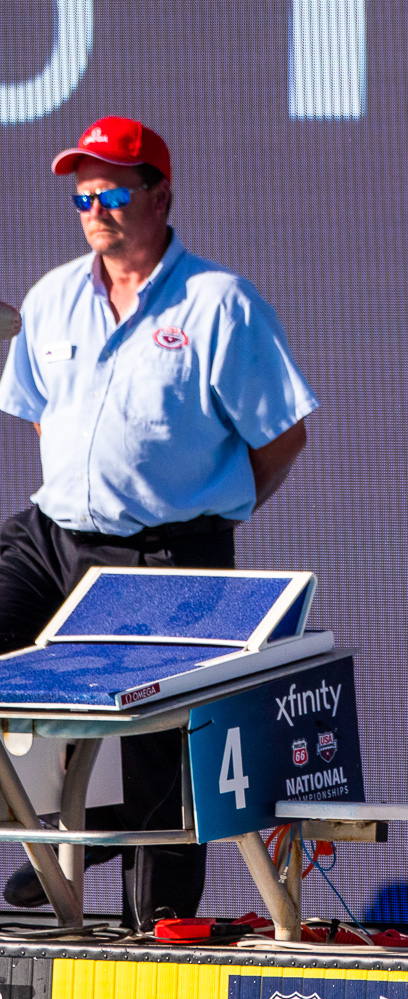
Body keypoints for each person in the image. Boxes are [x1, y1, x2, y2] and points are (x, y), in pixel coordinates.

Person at [0, 117, 318, 928]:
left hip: (166, 556)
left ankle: (162, 936)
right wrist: (93, 477)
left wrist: (202, 513)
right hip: (50, 538)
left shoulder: (221, 303)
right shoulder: (50, 297)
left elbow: (281, 437)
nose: (95, 206)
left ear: (160, 194)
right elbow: (41, 414)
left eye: (112, 189)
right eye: (82, 193)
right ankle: (62, 832)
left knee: (160, 764)